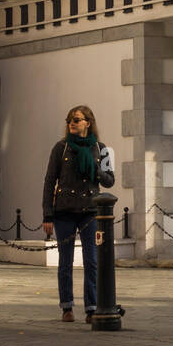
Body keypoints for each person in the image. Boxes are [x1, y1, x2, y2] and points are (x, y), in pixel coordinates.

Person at [42, 105, 115, 323]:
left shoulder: (102, 149)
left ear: (87, 123)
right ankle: (67, 307)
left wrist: (97, 168)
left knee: (91, 260)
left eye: (76, 119)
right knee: (65, 262)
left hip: (90, 212)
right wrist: (47, 214)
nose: (71, 123)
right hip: (64, 210)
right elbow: (49, 181)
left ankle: (92, 307)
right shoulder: (60, 147)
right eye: (69, 120)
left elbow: (110, 180)